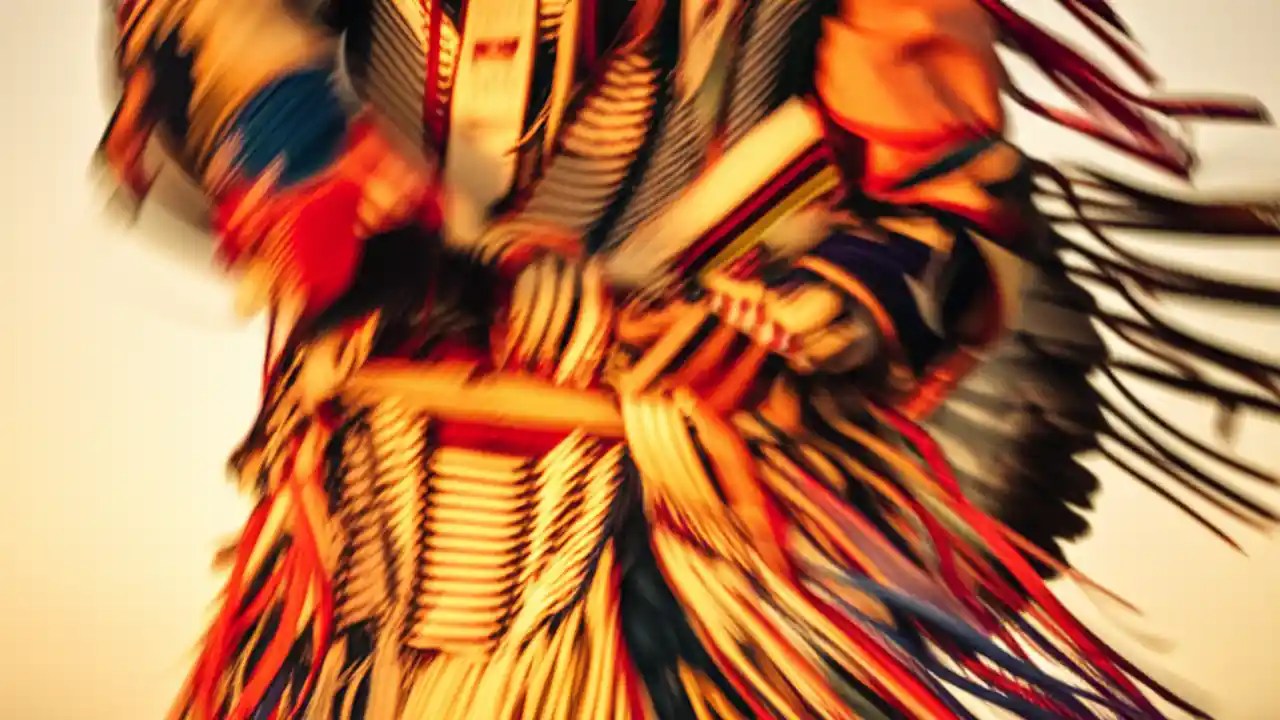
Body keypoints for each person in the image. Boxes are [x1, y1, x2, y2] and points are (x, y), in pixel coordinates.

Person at [99, 0, 1280, 717]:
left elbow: (952, 211)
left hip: (665, 556)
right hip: (357, 555)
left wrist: (795, 317)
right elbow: (206, 42)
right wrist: (303, 154)